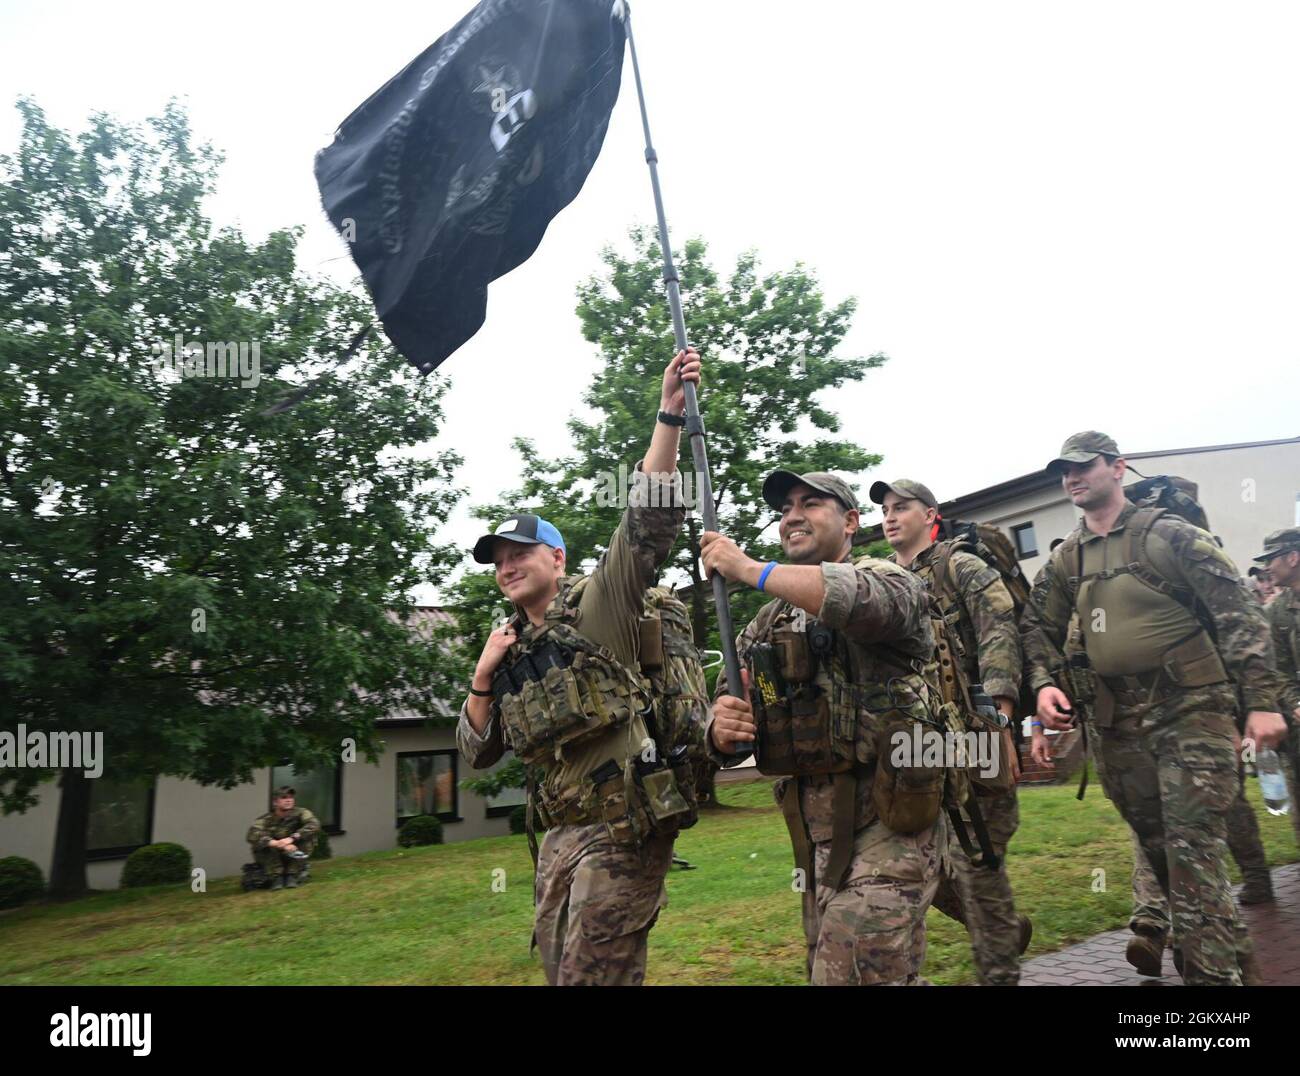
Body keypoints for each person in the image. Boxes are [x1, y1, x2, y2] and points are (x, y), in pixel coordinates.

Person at [456, 347, 702, 986]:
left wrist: (667, 416)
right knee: (561, 972)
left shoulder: (600, 605)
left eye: (521, 553)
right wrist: (483, 676)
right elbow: (477, 753)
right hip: (558, 835)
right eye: (498, 559)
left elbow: (645, 522)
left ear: (557, 560)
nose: (507, 566)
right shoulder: (509, 648)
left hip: (622, 821)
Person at [1020, 431, 1286, 985]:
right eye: (1062, 471)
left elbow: (1239, 614)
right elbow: (1035, 628)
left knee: (1191, 854)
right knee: (1168, 859)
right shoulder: (1067, 559)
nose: (1071, 478)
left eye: (1083, 466)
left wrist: (1261, 703)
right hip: (1117, 727)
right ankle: (1243, 969)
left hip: (1192, 710)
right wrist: (1043, 684)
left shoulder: (1170, 536)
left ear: (1118, 468)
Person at [701, 470, 942, 985]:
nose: (793, 515)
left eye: (810, 503)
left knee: (847, 974)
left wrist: (746, 567)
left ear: (852, 521)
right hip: (814, 839)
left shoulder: (891, 578)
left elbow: (860, 601)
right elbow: (724, 702)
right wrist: (721, 725)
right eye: (786, 508)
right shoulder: (768, 623)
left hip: (889, 821)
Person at [874, 478, 1030, 984]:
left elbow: (1000, 628)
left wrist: (1001, 717)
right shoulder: (882, 579)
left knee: (977, 859)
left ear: (930, 514)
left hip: (975, 735)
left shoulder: (958, 565)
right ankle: (998, 923)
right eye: (885, 510)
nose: (891, 517)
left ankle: (998, 970)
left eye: (902, 508)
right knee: (914, 858)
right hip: (916, 744)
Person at [1254, 527, 1300, 847]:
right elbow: (1278, 670)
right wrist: (1296, 704)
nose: (1267, 567)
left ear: (1293, 557)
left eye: (1272, 559)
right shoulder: (1276, 611)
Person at [246, 786, 320, 891]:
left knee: (309, 837)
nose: (289, 800)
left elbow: (314, 824)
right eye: (284, 797)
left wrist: (292, 838)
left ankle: (292, 874)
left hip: (293, 852)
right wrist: (275, 843)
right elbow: (251, 833)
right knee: (259, 844)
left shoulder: (301, 812)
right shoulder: (266, 819)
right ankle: (276, 877)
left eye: (291, 797)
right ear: (275, 802)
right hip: (273, 856)